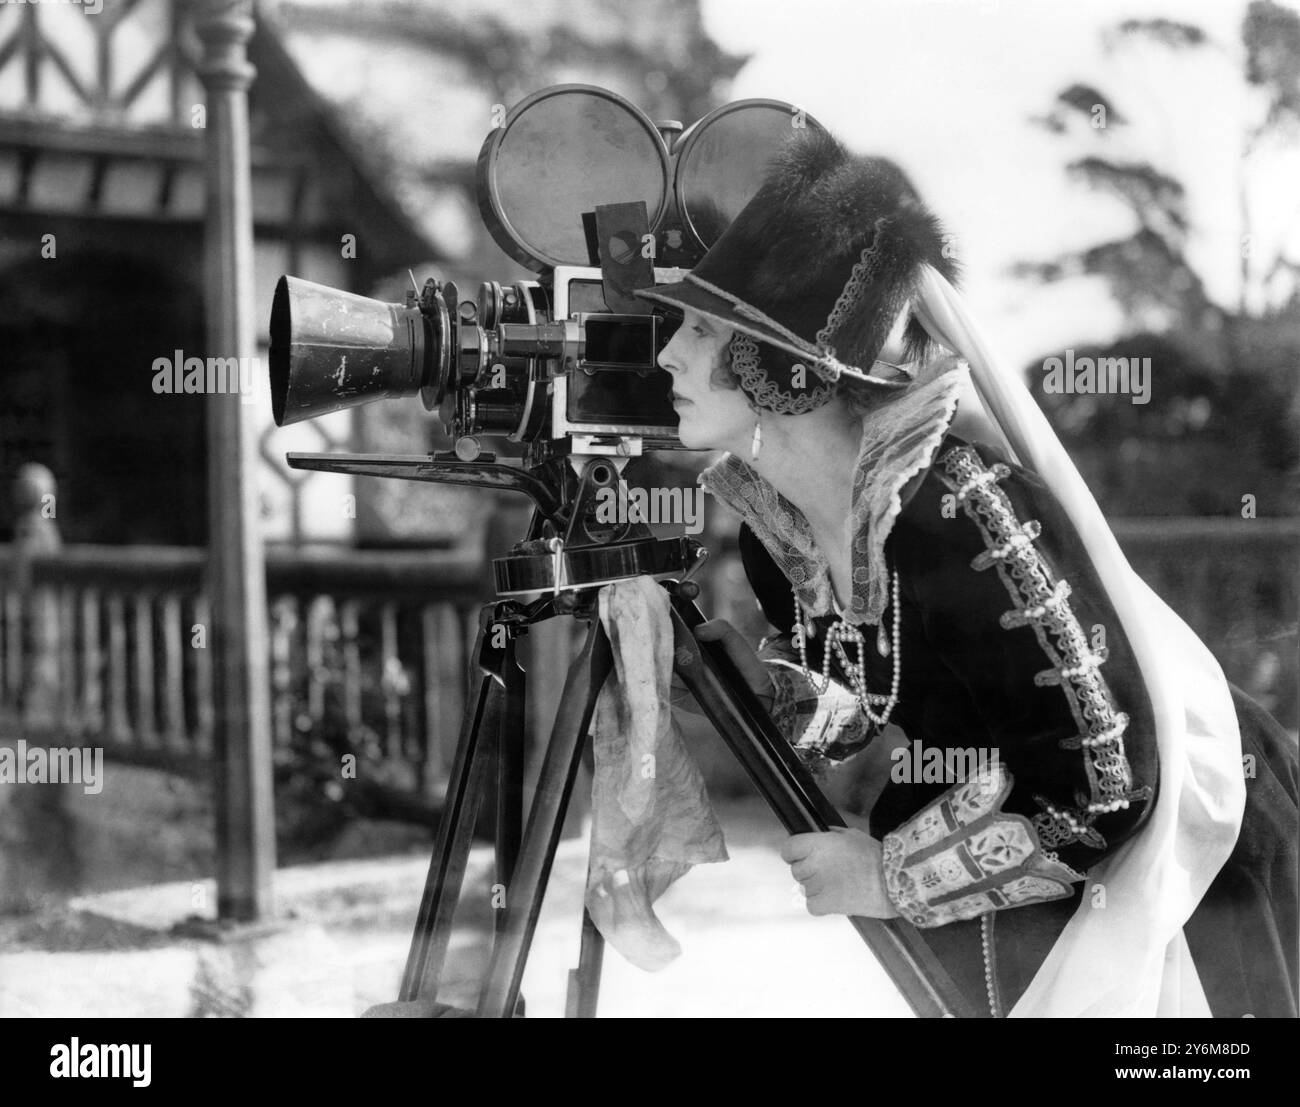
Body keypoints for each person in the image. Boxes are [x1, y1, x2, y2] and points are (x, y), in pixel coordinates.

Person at [635, 128, 1298, 1018]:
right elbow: (878, 704)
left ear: (783, 367)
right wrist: (765, 691)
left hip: (1200, 853)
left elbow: (1107, 790)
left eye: (702, 329)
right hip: (1043, 882)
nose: (668, 355)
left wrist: (890, 876)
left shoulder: (956, 514)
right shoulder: (773, 533)